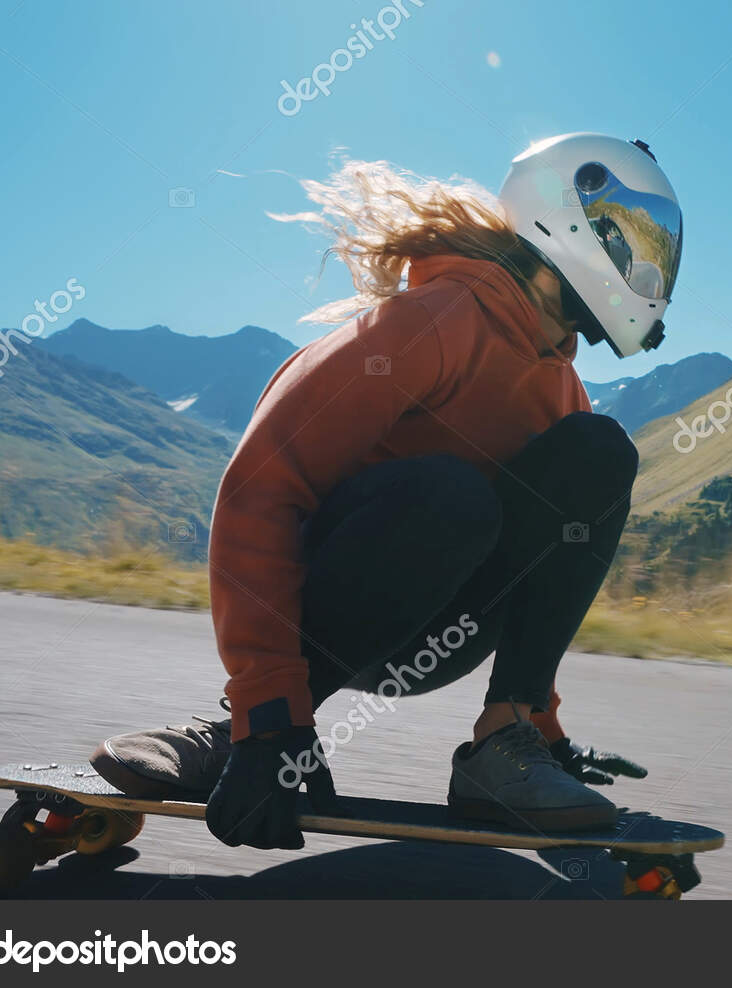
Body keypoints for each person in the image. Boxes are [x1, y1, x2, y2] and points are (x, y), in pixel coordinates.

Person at [90, 133, 684, 849]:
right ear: (568, 223)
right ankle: (238, 733)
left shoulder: (563, 389)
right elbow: (260, 488)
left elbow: (545, 568)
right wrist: (268, 714)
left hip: (439, 635)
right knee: (451, 495)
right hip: (318, 612)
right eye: (634, 246)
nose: (647, 275)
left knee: (599, 453)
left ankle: (507, 742)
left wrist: (545, 726)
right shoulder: (431, 320)